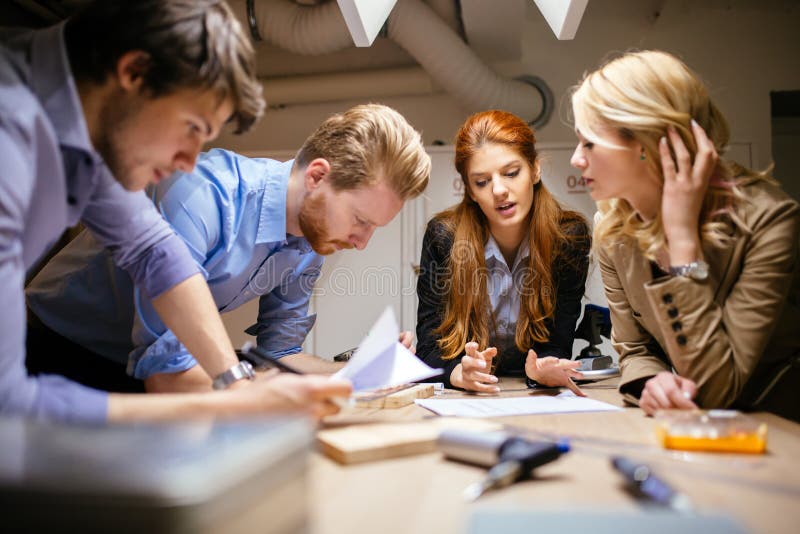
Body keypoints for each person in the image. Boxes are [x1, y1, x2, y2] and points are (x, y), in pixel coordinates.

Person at [1, 0, 350, 423]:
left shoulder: (91, 121)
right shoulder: (11, 142)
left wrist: (235, 383)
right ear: (134, 73)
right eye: (192, 129)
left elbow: (155, 252)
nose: (188, 161)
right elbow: (9, 405)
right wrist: (228, 403)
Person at [26, 104, 430, 393]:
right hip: (52, 344)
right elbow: (167, 375)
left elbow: (281, 353)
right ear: (318, 177)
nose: (361, 243)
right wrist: (269, 392)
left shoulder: (310, 242)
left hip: (137, 360)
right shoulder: (201, 196)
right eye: (361, 221)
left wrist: (360, 373)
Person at [569, 50, 800, 421]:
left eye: (590, 143)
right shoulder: (611, 227)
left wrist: (681, 240)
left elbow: (718, 389)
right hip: (691, 432)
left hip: (778, 431)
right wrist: (652, 382)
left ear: (648, 141)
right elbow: (635, 349)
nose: (577, 159)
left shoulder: (768, 220)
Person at [415, 110, 591, 393]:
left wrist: (543, 369)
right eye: (482, 182)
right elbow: (428, 348)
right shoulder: (443, 237)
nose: (499, 190)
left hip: (530, 394)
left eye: (511, 173)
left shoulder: (568, 238)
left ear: (535, 169)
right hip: (468, 397)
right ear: (470, 191)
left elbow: (556, 344)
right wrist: (458, 372)